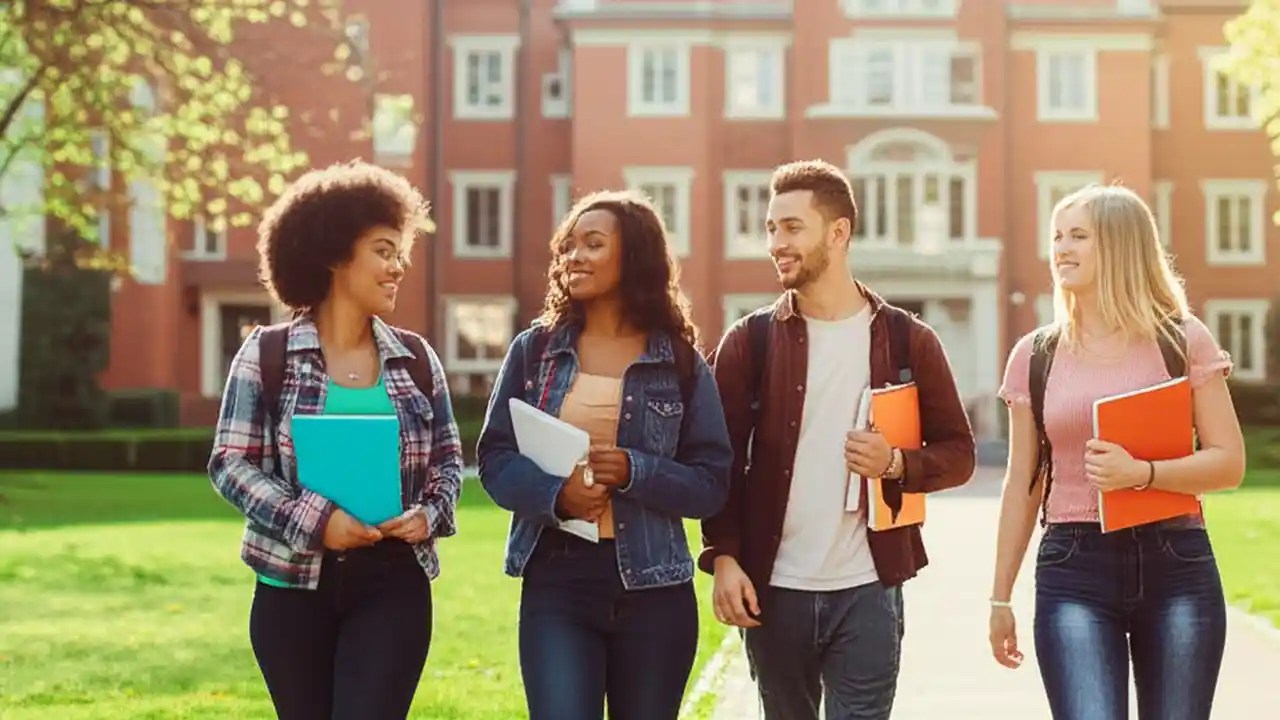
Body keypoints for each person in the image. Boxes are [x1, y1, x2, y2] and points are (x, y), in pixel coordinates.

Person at [701, 159, 976, 719]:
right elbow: (717, 464)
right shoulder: (748, 343)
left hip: (869, 589)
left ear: (839, 232)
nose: (776, 242)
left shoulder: (908, 341)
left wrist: (897, 463)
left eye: (792, 228)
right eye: (772, 228)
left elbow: (960, 454)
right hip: (773, 591)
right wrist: (724, 557)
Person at [207, 160, 460, 720]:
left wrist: (429, 514)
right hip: (290, 585)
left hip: (393, 581)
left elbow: (448, 462)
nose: (400, 267)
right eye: (384, 250)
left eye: (401, 252)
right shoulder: (266, 354)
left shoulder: (417, 360)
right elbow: (230, 464)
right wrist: (319, 520)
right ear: (332, 253)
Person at [988, 184, 1246, 719]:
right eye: (1057, 235)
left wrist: (1142, 473)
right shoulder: (1035, 355)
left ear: (1122, 245)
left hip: (1177, 561)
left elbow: (1228, 461)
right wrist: (999, 598)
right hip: (1073, 566)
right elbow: (1022, 483)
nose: (1061, 247)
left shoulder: (1181, 340)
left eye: (1079, 235)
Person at [476, 189, 733, 720]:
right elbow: (496, 457)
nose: (575, 256)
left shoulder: (681, 363)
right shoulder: (536, 350)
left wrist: (637, 470)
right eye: (568, 246)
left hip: (655, 589)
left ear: (633, 255)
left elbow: (711, 484)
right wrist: (557, 496)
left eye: (593, 244)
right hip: (558, 581)